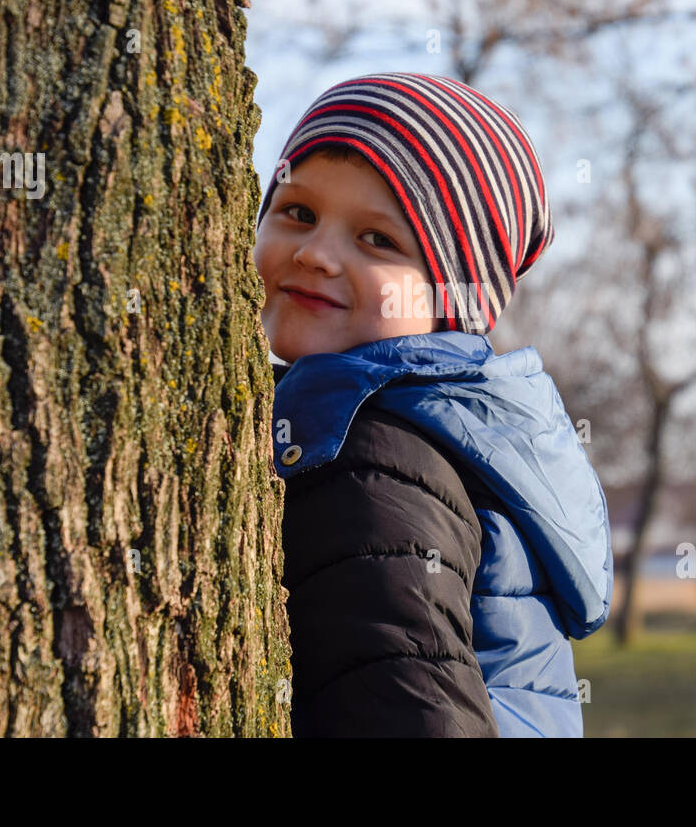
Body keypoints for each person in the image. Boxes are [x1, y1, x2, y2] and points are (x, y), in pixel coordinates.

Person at [253, 72, 612, 737]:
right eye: (299, 212)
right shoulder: (425, 429)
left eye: (377, 240)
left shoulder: (367, 457)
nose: (313, 253)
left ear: (451, 301)